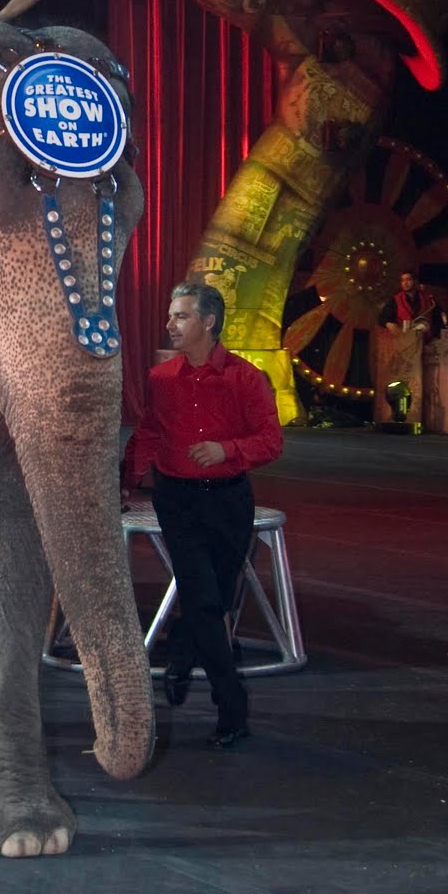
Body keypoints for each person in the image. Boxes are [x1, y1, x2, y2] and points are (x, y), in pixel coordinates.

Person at [121, 280, 283, 748]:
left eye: (181, 316)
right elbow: (150, 433)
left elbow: (271, 442)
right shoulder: (161, 379)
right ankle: (231, 707)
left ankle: (180, 652)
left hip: (229, 501)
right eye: (172, 315)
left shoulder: (246, 378)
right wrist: (126, 480)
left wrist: (225, 448)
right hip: (178, 501)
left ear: (208, 322)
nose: (170, 323)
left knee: (216, 599)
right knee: (204, 598)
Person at [380, 269, 444, 338]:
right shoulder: (395, 300)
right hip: (406, 340)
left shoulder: (428, 298)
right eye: (402, 280)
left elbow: (438, 319)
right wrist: (388, 323)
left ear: (415, 281)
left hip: (427, 340)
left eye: (408, 280)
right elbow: (382, 317)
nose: (405, 283)